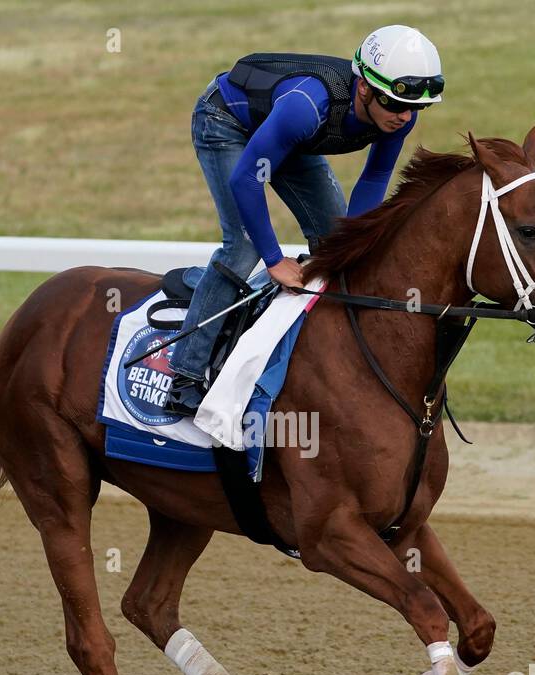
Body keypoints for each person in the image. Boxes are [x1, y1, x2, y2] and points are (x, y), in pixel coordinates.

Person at [163, 25, 446, 416]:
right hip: (226, 123)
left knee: (337, 242)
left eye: (415, 107)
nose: (404, 116)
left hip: (288, 137)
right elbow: (247, 178)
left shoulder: (399, 113)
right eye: (394, 103)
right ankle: (185, 374)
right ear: (364, 87)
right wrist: (275, 260)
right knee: (244, 246)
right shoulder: (305, 108)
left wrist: (354, 246)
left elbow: (375, 178)